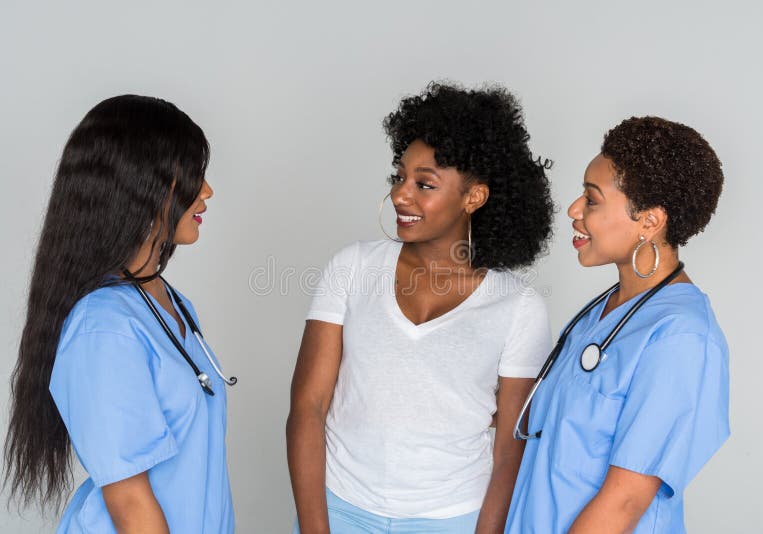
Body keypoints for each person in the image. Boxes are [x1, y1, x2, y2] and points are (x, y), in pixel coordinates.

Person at [287, 82, 555, 533]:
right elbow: (307, 408)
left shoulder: (518, 307)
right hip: (341, 508)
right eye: (399, 176)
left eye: (423, 184)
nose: (400, 195)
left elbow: (511, 449)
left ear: (474, 197)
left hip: (452, 518)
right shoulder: (351, 268)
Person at [3, 95, 235, 533]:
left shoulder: (169, 302)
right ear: (139, 184)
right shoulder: (104, 328)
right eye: (191, 175)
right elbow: (130, 504)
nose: (206, 191)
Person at [505, 116, 730, 533]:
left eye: (591, 200)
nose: (573, 210)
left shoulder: (681, 336)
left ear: (649, 221)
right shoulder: (601, 313)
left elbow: (625, 501)